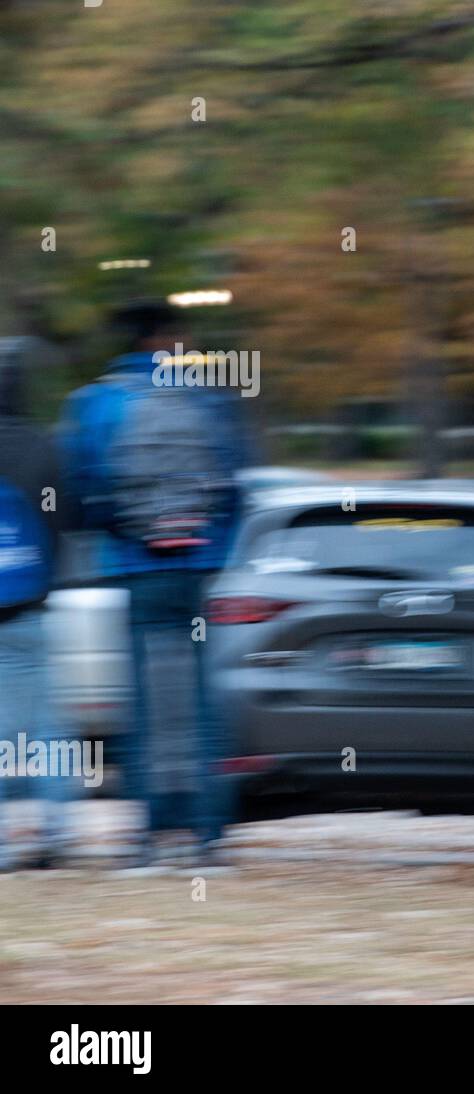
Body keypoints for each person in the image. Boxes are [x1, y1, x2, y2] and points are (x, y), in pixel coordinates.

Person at [60, 300, 251, 868]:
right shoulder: (209, 399)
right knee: (199, 700)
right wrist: (214, 545)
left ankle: (148, 836)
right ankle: (208, 833)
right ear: (172, 337)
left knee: (144, 702)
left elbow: (82, 488)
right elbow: (239, 484)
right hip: (198, 568)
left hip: (134, 565)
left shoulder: (97, 401)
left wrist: (121, 534)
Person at [0, 354, 77, 870]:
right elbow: (61, 517)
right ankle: (55, 827)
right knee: (49, 723)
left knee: (5, 730)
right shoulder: (44, 445)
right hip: (35, 604)